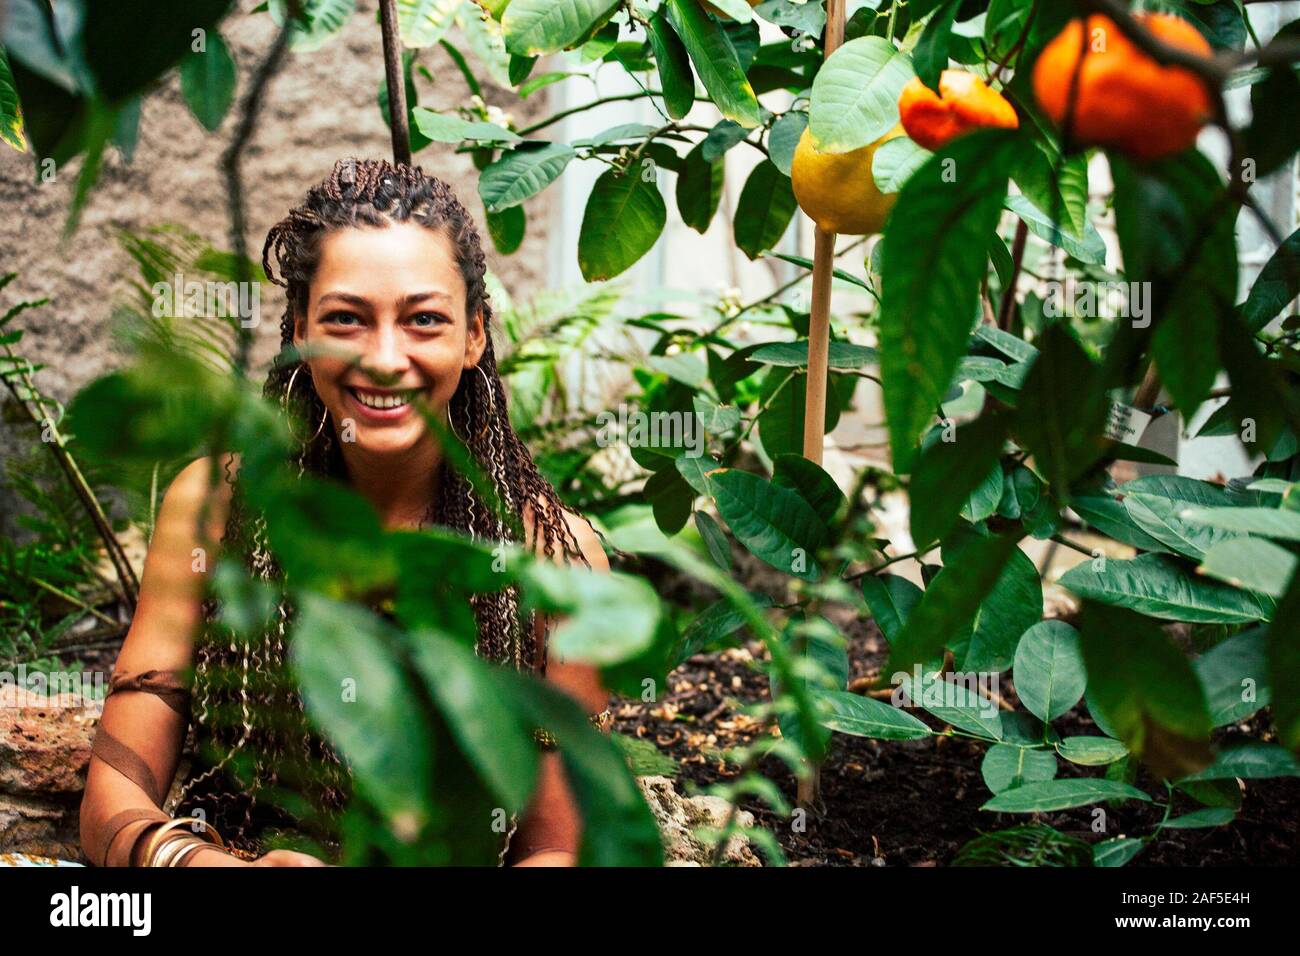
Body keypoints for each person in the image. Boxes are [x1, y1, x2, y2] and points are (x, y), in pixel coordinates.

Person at [77, 158, 613, 868]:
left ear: (474, 335)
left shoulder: (552, 562)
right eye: (346, 320)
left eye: (424, 320)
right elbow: (112, 794)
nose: (384, 358)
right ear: (300, 329)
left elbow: (559, 851)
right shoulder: (217, 513)